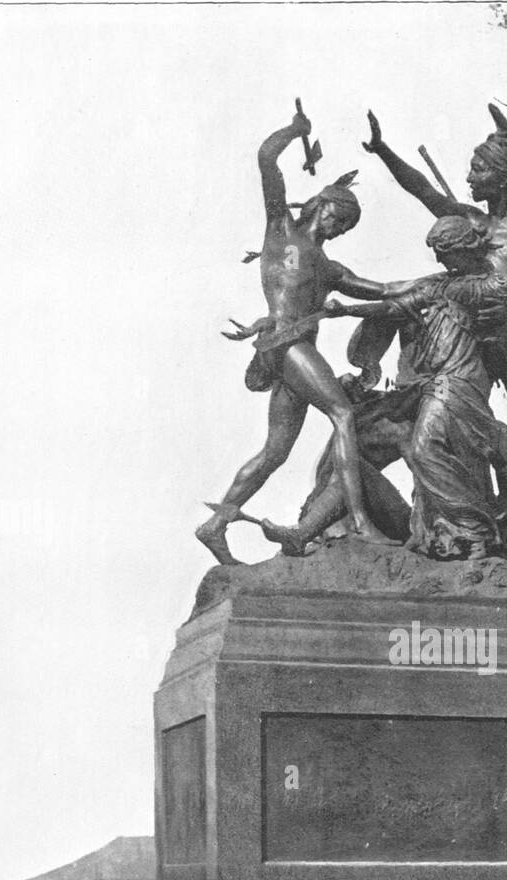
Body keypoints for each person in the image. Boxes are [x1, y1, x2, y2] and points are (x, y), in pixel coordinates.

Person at [196, 107, 405, 564]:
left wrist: (435, 283)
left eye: (346, 226)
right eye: (338, 216)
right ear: (321, 203)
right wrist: (294, 131)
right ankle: (363, 524)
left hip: (292, 353)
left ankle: (215, 525)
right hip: (287, 347)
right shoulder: (283, 236)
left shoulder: (330, 268)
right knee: (344, 415)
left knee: (275, 452)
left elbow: (386, 290)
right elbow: (267, 160)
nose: (339, 227)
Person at [363, 104, 507, 488]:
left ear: (503, 177)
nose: (470, 178)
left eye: (479, 169)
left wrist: (496, 297)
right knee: (454, 432)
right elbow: (422, 189)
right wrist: (383, 149)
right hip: (466, 344)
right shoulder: (472, 221)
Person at [313, 215, 507, 560]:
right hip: (434, 386)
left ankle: (473, 526)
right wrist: (345, 310)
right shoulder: (438, 286)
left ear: (462, 249)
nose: (440, 261)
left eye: (444, 253)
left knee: (426, 449)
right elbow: (392, 304)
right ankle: (450, 529)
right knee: (424, 450)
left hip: (458, 383)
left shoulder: (477, 285)